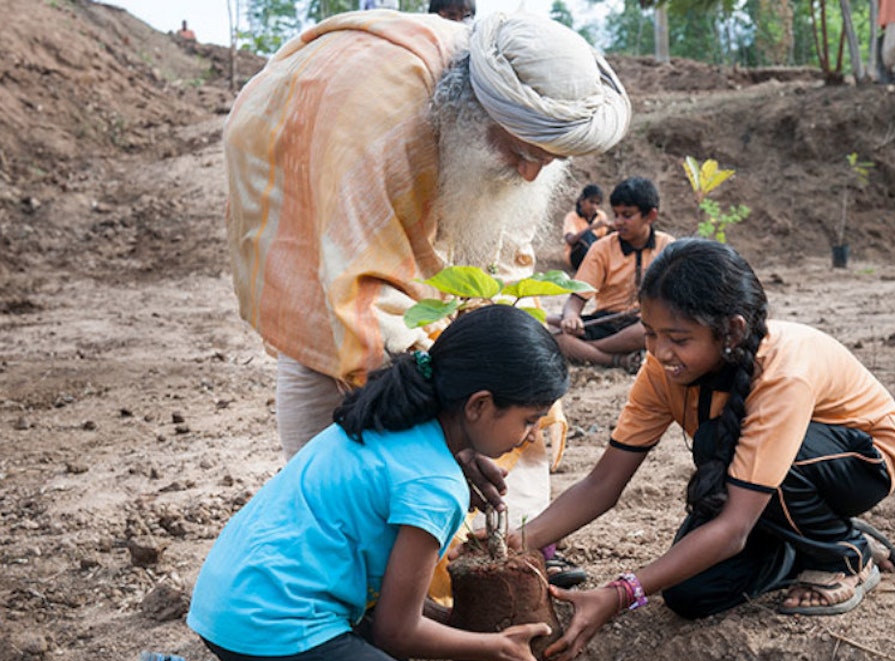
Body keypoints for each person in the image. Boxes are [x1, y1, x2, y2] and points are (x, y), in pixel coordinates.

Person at [225, 12, 628, 591]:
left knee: (493, 393)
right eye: (519, 150)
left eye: (547, 157)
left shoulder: (502, 133)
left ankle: (507, 545)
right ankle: (350, 587)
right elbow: (360, 300)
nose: (531, 171)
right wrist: (446, 438)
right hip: (300, 165)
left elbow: (496, 257)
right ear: (469, 112)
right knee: (336, 378)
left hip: (390, 150)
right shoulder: (377, 125)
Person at [133, 305, 570, 661]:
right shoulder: (437, 484)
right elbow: (395, 630)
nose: (529, 434)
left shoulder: (395, 416)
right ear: (478, 405)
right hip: (273, 624)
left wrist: (462, 631)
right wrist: (491, 647)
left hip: (231, 596)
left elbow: (393, 613)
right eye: (529, 420)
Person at [517, 240, 895, 661]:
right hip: (764, 477)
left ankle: (843, 551)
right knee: (691, 593)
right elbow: (602, 483)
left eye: (678, 338)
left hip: (857, 462)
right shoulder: (662, 371)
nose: (658, 351)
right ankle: (795, 543)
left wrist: (619, 595)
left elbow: (733, 526)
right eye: (649, 333)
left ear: (733, 331)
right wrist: (520, 540)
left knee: (738, 452)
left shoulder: (782, 374)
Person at [550, 177, 674, 373]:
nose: (618, 222)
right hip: (607, 320)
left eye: (627, 215)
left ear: (650, 216)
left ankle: (590, 352)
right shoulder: (602, 249)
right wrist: (572, 317)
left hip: (646, 324)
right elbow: (576, 298)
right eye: (616, 215)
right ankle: (617, 359)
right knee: (554, 333)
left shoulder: (668, 247)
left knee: (648, 331)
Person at [562, 183, 610, 271]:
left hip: (595, 254)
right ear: (581, 201)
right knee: (587, 235)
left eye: (597, 203)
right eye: (591, 202)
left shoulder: (601, 215)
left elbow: (605, 239)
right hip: (577, 256)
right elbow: (570, 240)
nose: (594, 207)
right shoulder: (572, 216)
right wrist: (591, 228)